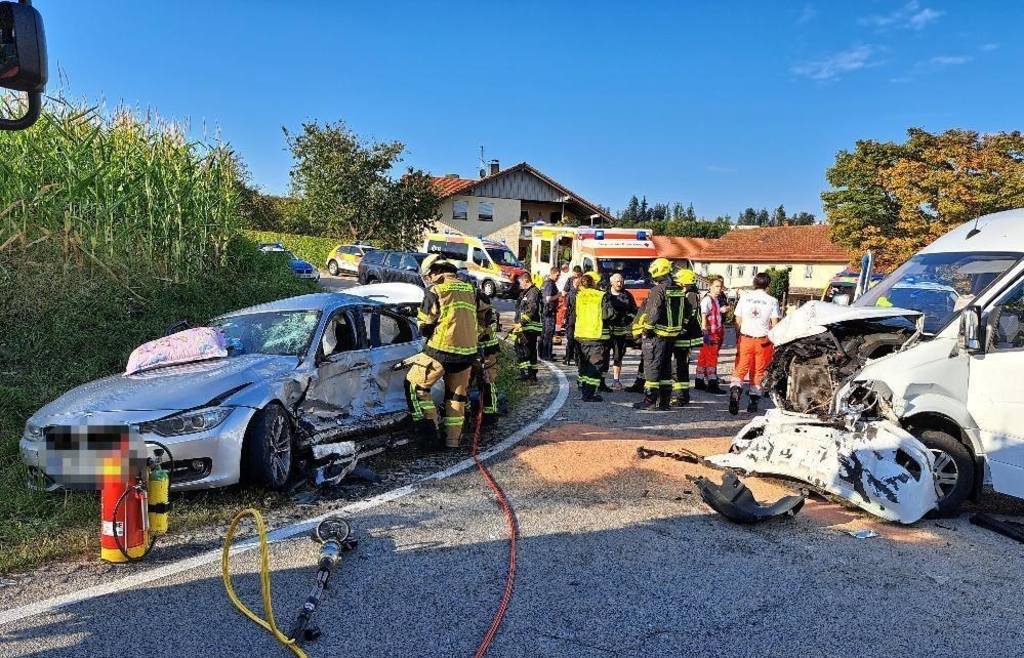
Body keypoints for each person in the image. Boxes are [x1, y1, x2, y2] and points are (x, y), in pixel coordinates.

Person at [405, 254, 479, 449]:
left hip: (441, 350)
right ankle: (452, 442)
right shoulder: (471, 290)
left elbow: (424, 324)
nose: (428, 278)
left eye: (429, 275)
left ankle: (429, 435)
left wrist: (427, 332)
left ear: (437, 272)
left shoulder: (436, 290)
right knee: (457, 397)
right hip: (468, 354)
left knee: (415, 386)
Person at [632, 258, 685, 410]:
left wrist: (646, 330)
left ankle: (649, 400)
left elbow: (653, 313)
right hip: (671, 336)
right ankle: (664, 402)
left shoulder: (657, 290)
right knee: (665, 369)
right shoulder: (677, 289)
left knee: (652, 368)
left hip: (657, 336)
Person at [729, 272, 781, 415]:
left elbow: (738, 321)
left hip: (746, 338)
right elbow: (775, 324)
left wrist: (738, 337)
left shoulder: (744, 299)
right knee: (758, 371)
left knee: (740, 368)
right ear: (768, 286)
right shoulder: (772, 301)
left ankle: (735, 390)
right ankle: (753, 402)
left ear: (754, 283)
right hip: (763, 340)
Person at [574, 271, 615, 401]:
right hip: (595, 335)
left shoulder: (579, 295)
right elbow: (608, 315)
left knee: (585, 365)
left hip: (580, 334)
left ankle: (585, 390)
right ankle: (589, 394)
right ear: (595, 283)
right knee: (595, 366)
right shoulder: (602, 296)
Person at [669, 268, 704, 406]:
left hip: (683, 337)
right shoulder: (691, 293)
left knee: (678, 368)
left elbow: (687, 317)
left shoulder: (689, 295)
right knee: (679, 367)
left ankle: (681, 397)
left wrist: (678, 329)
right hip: (684, 336)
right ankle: (682, 395)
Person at [695, 275, 729, 394]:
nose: (719, 289)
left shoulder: (714, 300)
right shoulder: (708, 300)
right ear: (710, 287)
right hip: (711, 333)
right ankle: (712, 383)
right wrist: (705, 332)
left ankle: (699, 380)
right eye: (716, 286)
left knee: (703, 358)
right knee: (711, 359)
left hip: (714, 332)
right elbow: (704, 316)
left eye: (720, 287)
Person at [473, 285, 501, 427]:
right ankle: (488, 415)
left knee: (487, 383)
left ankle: (489, 416)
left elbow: (480, 329)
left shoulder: (479, 309)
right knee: (487, 383)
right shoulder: (487, 306)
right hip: (488, 349)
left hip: (484, 350)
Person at [606, 273, 638, 390]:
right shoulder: (605, 294)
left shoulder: (627, 295)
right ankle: (601, 382)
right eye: (617, 281)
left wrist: (626, 320)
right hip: (606, 331)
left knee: (618, 357)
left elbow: (634, 311)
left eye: (621, 281)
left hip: (620, 331)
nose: (619, 284)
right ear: (611, 282)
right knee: (603, 357)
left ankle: (616, 381)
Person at [513, 271, 542, 382]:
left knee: (524, 351)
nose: (520, 284)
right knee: (526, 351)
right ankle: (530, 374)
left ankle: (528, 375)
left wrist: (521, 323)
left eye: (521, 282)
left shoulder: (533, 292)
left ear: (526, 280)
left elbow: (531, 310)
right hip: (526, 327)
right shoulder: (527, 293)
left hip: (529, 327)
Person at [562, 266, 583, 366]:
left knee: (572, 339)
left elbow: (566, 300)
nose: (576, 277)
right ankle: (571, 358)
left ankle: (571, 358)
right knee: (573, 339)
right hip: (575, 318)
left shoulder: (575, 293)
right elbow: (564, 293)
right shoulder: (570, 281)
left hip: (573, 317)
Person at [539, 267, 560, 361]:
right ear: (553, 273)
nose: (558, 277)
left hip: (545, 312)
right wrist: (558, 295)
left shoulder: (544, 282)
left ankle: (543, 353)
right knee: (548, 334)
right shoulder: (550, 284)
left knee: (544, 334)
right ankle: (547, 355)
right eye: (557, 275)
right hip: (549, 313)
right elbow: (548, 298)